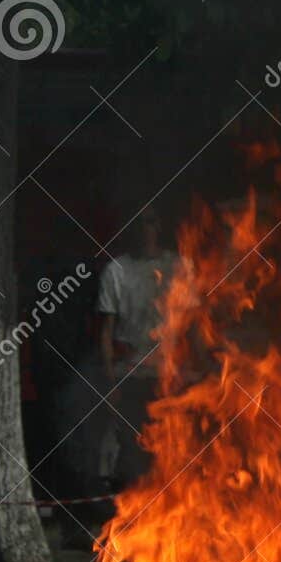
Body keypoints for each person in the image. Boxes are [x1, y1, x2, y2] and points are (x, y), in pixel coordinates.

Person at [95, 209, 170, 488]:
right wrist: (110, 380)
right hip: (130, 374)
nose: (145, 229)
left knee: (171, 447)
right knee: (132, 448)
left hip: (168, 376)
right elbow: (107, 331)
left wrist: (199, 368)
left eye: (150, 221)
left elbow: (194, 325)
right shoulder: (117, 270)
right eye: (138, 222)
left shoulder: (179, 266)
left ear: (159, 225)